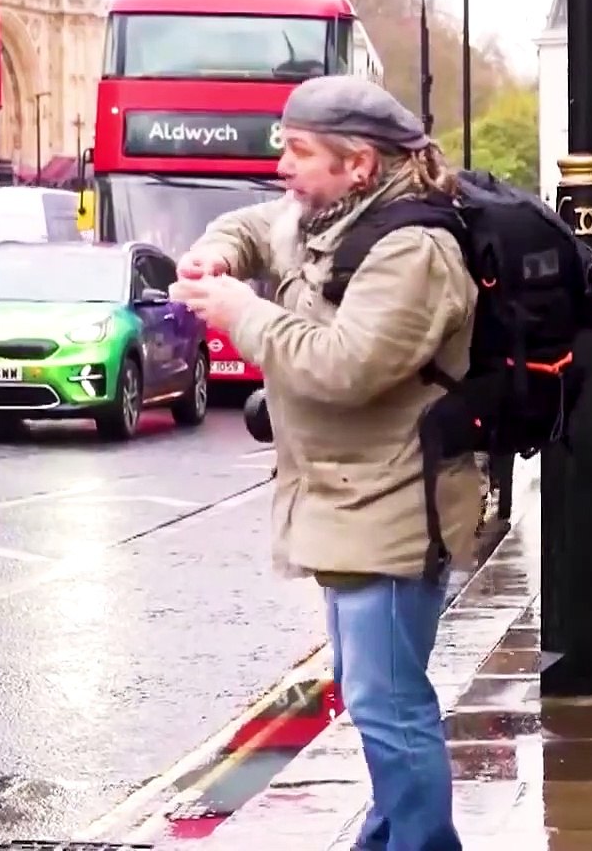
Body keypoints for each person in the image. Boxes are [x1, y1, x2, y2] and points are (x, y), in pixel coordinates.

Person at [168, 75, 473, 851]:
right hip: (344, 503)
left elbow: (346, 365)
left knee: (390, 704)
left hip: (395, 503)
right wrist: (215, 252)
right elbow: (253, 222)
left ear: (359, 164)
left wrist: (240, 312)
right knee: (375, 696)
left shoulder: (415, 251)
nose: (283, 168)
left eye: (299, 153)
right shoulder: (326, 215)